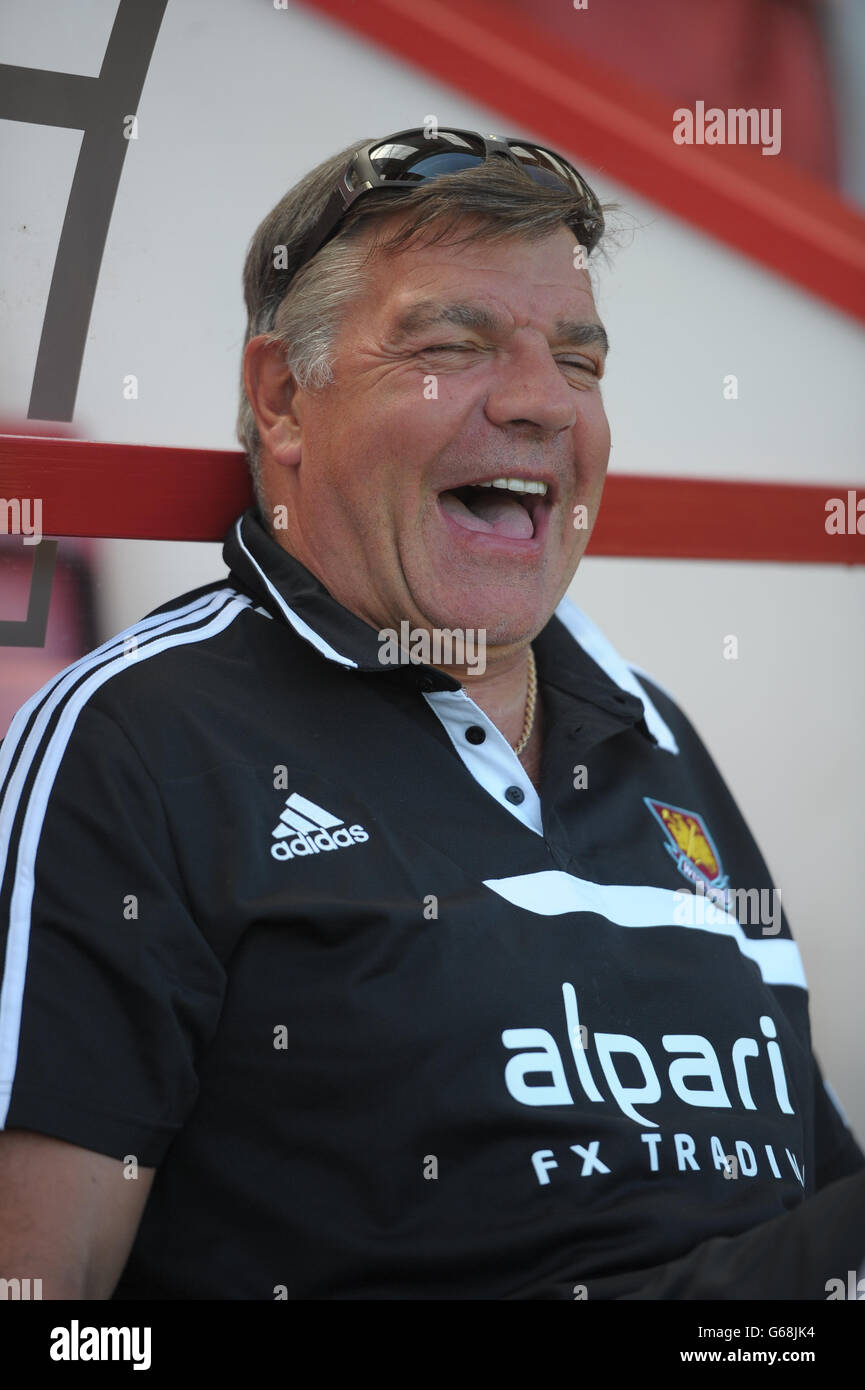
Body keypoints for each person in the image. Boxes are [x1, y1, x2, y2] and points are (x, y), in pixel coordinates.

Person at [0, 128, 862, 1301]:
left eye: (579, 362)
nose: (541, 403)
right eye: (453, 345)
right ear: (281, 400)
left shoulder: (652, 733)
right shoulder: (140, 740)